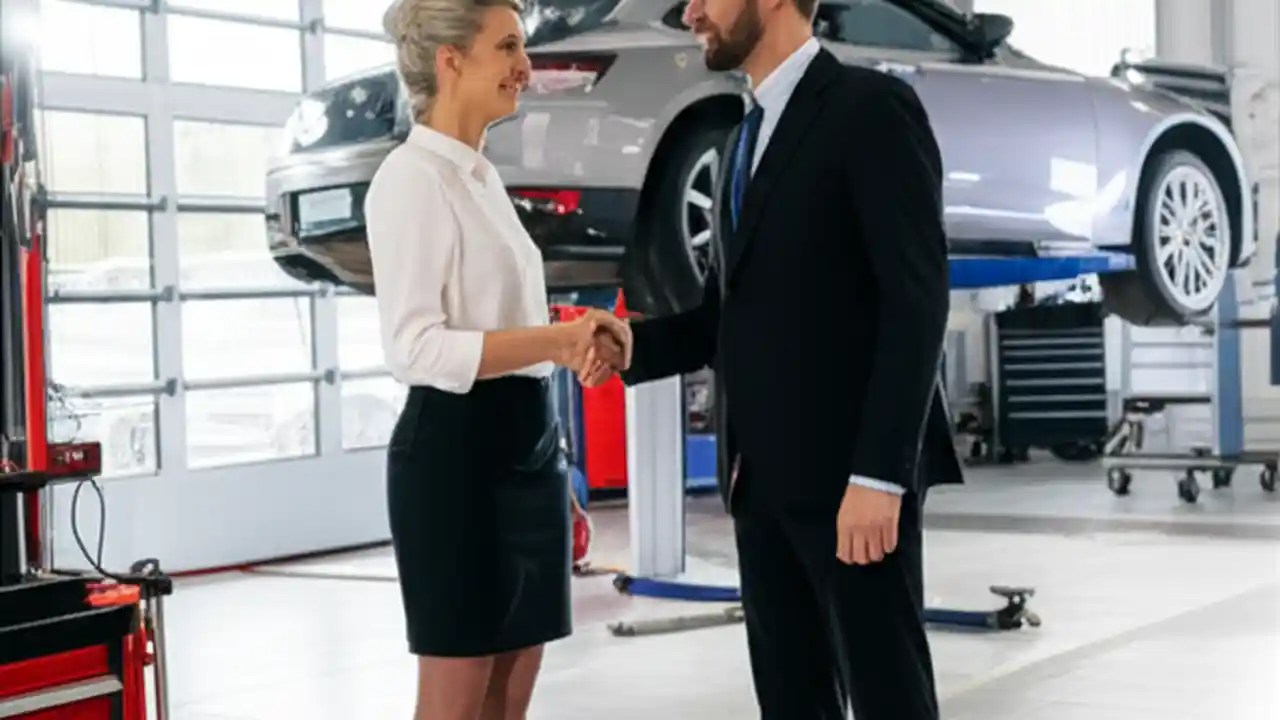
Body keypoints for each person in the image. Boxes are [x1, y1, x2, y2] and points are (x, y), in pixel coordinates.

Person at [582, 0, 965, 717]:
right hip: (759, 486)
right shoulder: (737, 142)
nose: (690, 12)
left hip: (853, 485)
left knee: (889, 696)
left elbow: (915, 303)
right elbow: (723, 320)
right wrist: (633, 344)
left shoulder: (871, 108)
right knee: (791, 700)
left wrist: (881, 474)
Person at [367, 2, 631, 719]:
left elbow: (500, 324)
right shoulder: (411, 178)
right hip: (456, 460)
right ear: (450, 60)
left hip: (527, 448)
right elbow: (416, 347)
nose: (526, 67)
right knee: (456, 701)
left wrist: (557, 435)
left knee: (508, 701)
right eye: (508, 46)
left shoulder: (481, 179)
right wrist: (556, 338)